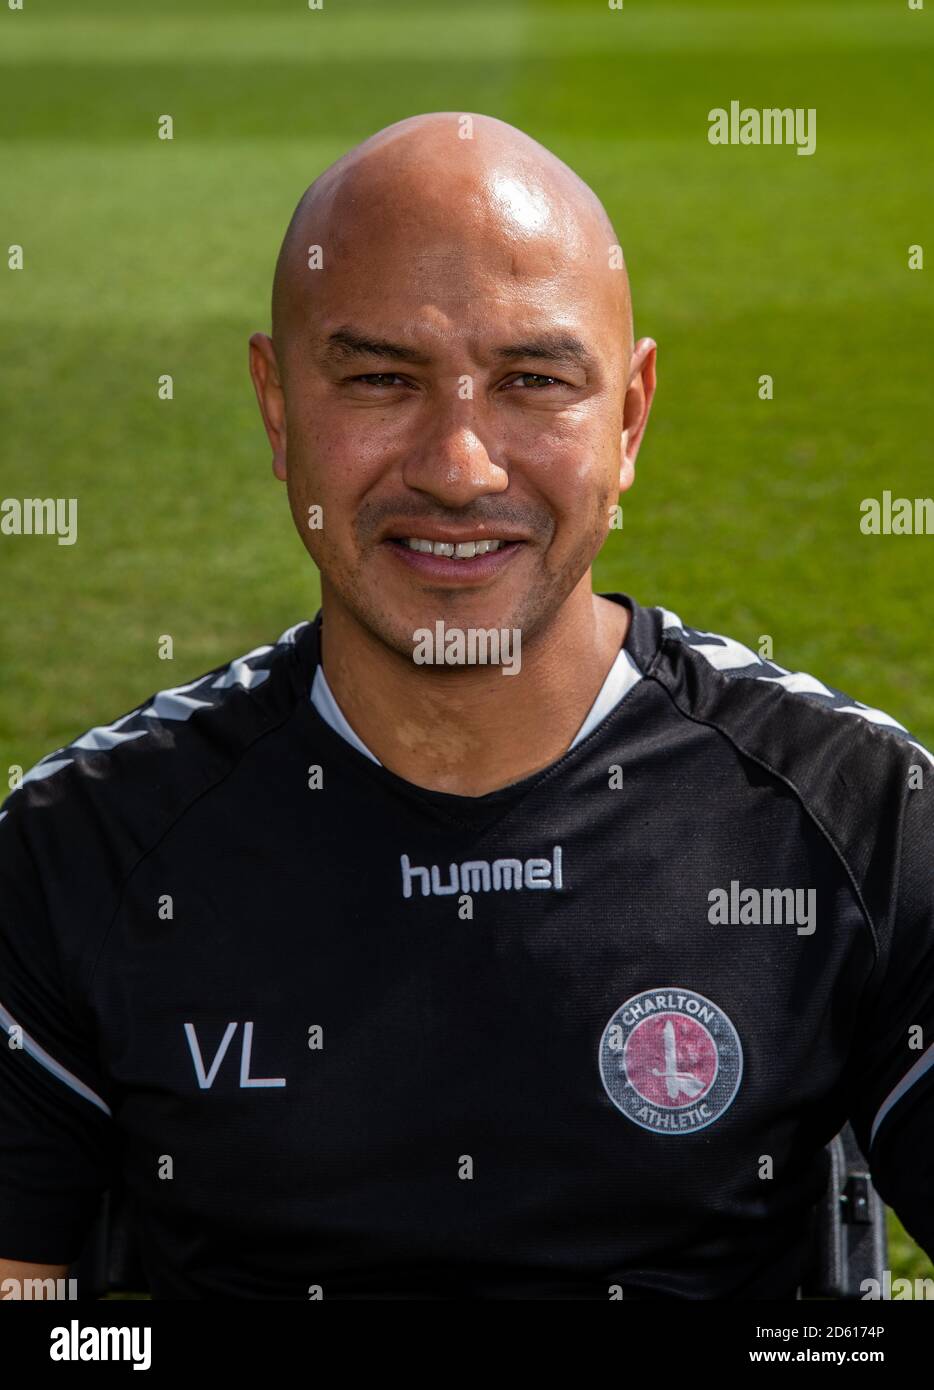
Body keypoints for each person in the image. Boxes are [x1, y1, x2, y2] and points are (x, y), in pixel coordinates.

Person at [1, 112, 931, 1301]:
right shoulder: (77, 847)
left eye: (533, 381)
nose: (459, 465)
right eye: (381, 377)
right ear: (279, 408)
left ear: (630, 417)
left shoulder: (859, 818)